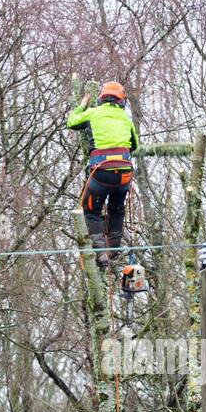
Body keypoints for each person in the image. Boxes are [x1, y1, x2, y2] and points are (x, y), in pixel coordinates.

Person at [67, 80, 139, 270]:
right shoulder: (125, 119)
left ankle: (100, 253)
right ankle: (113, 250)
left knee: (91, 211)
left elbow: (71, 122)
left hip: (100, 172)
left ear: (100, 98)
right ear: (121, 101)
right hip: (123, 173)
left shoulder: (93, 113)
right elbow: (135, 145)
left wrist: (82, 105)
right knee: (116, 209)